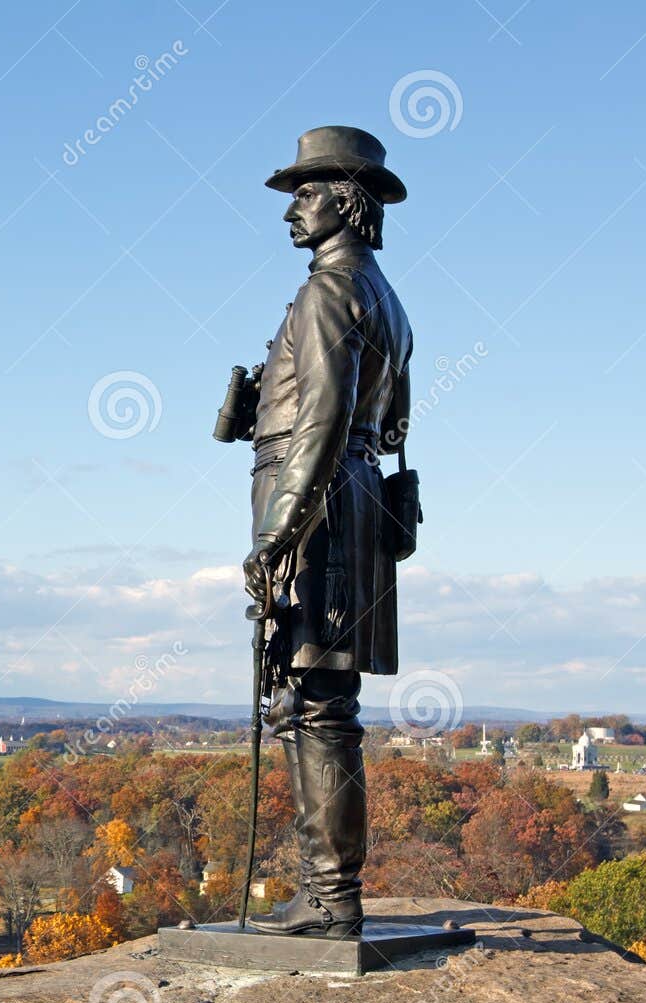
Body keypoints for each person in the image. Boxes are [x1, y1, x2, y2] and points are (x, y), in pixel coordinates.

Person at [241, 126, 413, 938]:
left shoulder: (324, 293)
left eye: (303, 194)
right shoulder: (388, 300)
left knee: (312, 703)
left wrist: (275, 535)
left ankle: (331, 895)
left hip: (316, 507)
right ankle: (330, 889)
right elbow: (391, 423)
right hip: (357, 499)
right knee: (321, 701)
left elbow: (324, 418)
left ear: (346, 200)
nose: (290, 213)